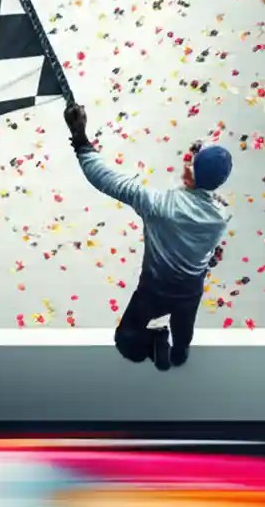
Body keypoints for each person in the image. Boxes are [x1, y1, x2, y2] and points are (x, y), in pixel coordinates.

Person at [64, 103, 232, 371]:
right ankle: (175, 353)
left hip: (153, 290)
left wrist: (80, 136)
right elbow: (203, 200)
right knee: (182, 347)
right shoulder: (221, 216)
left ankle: (155, 341)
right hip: (189, 293)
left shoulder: (158, 206)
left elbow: (105, 179)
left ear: (190, 173)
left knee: (126, 340)